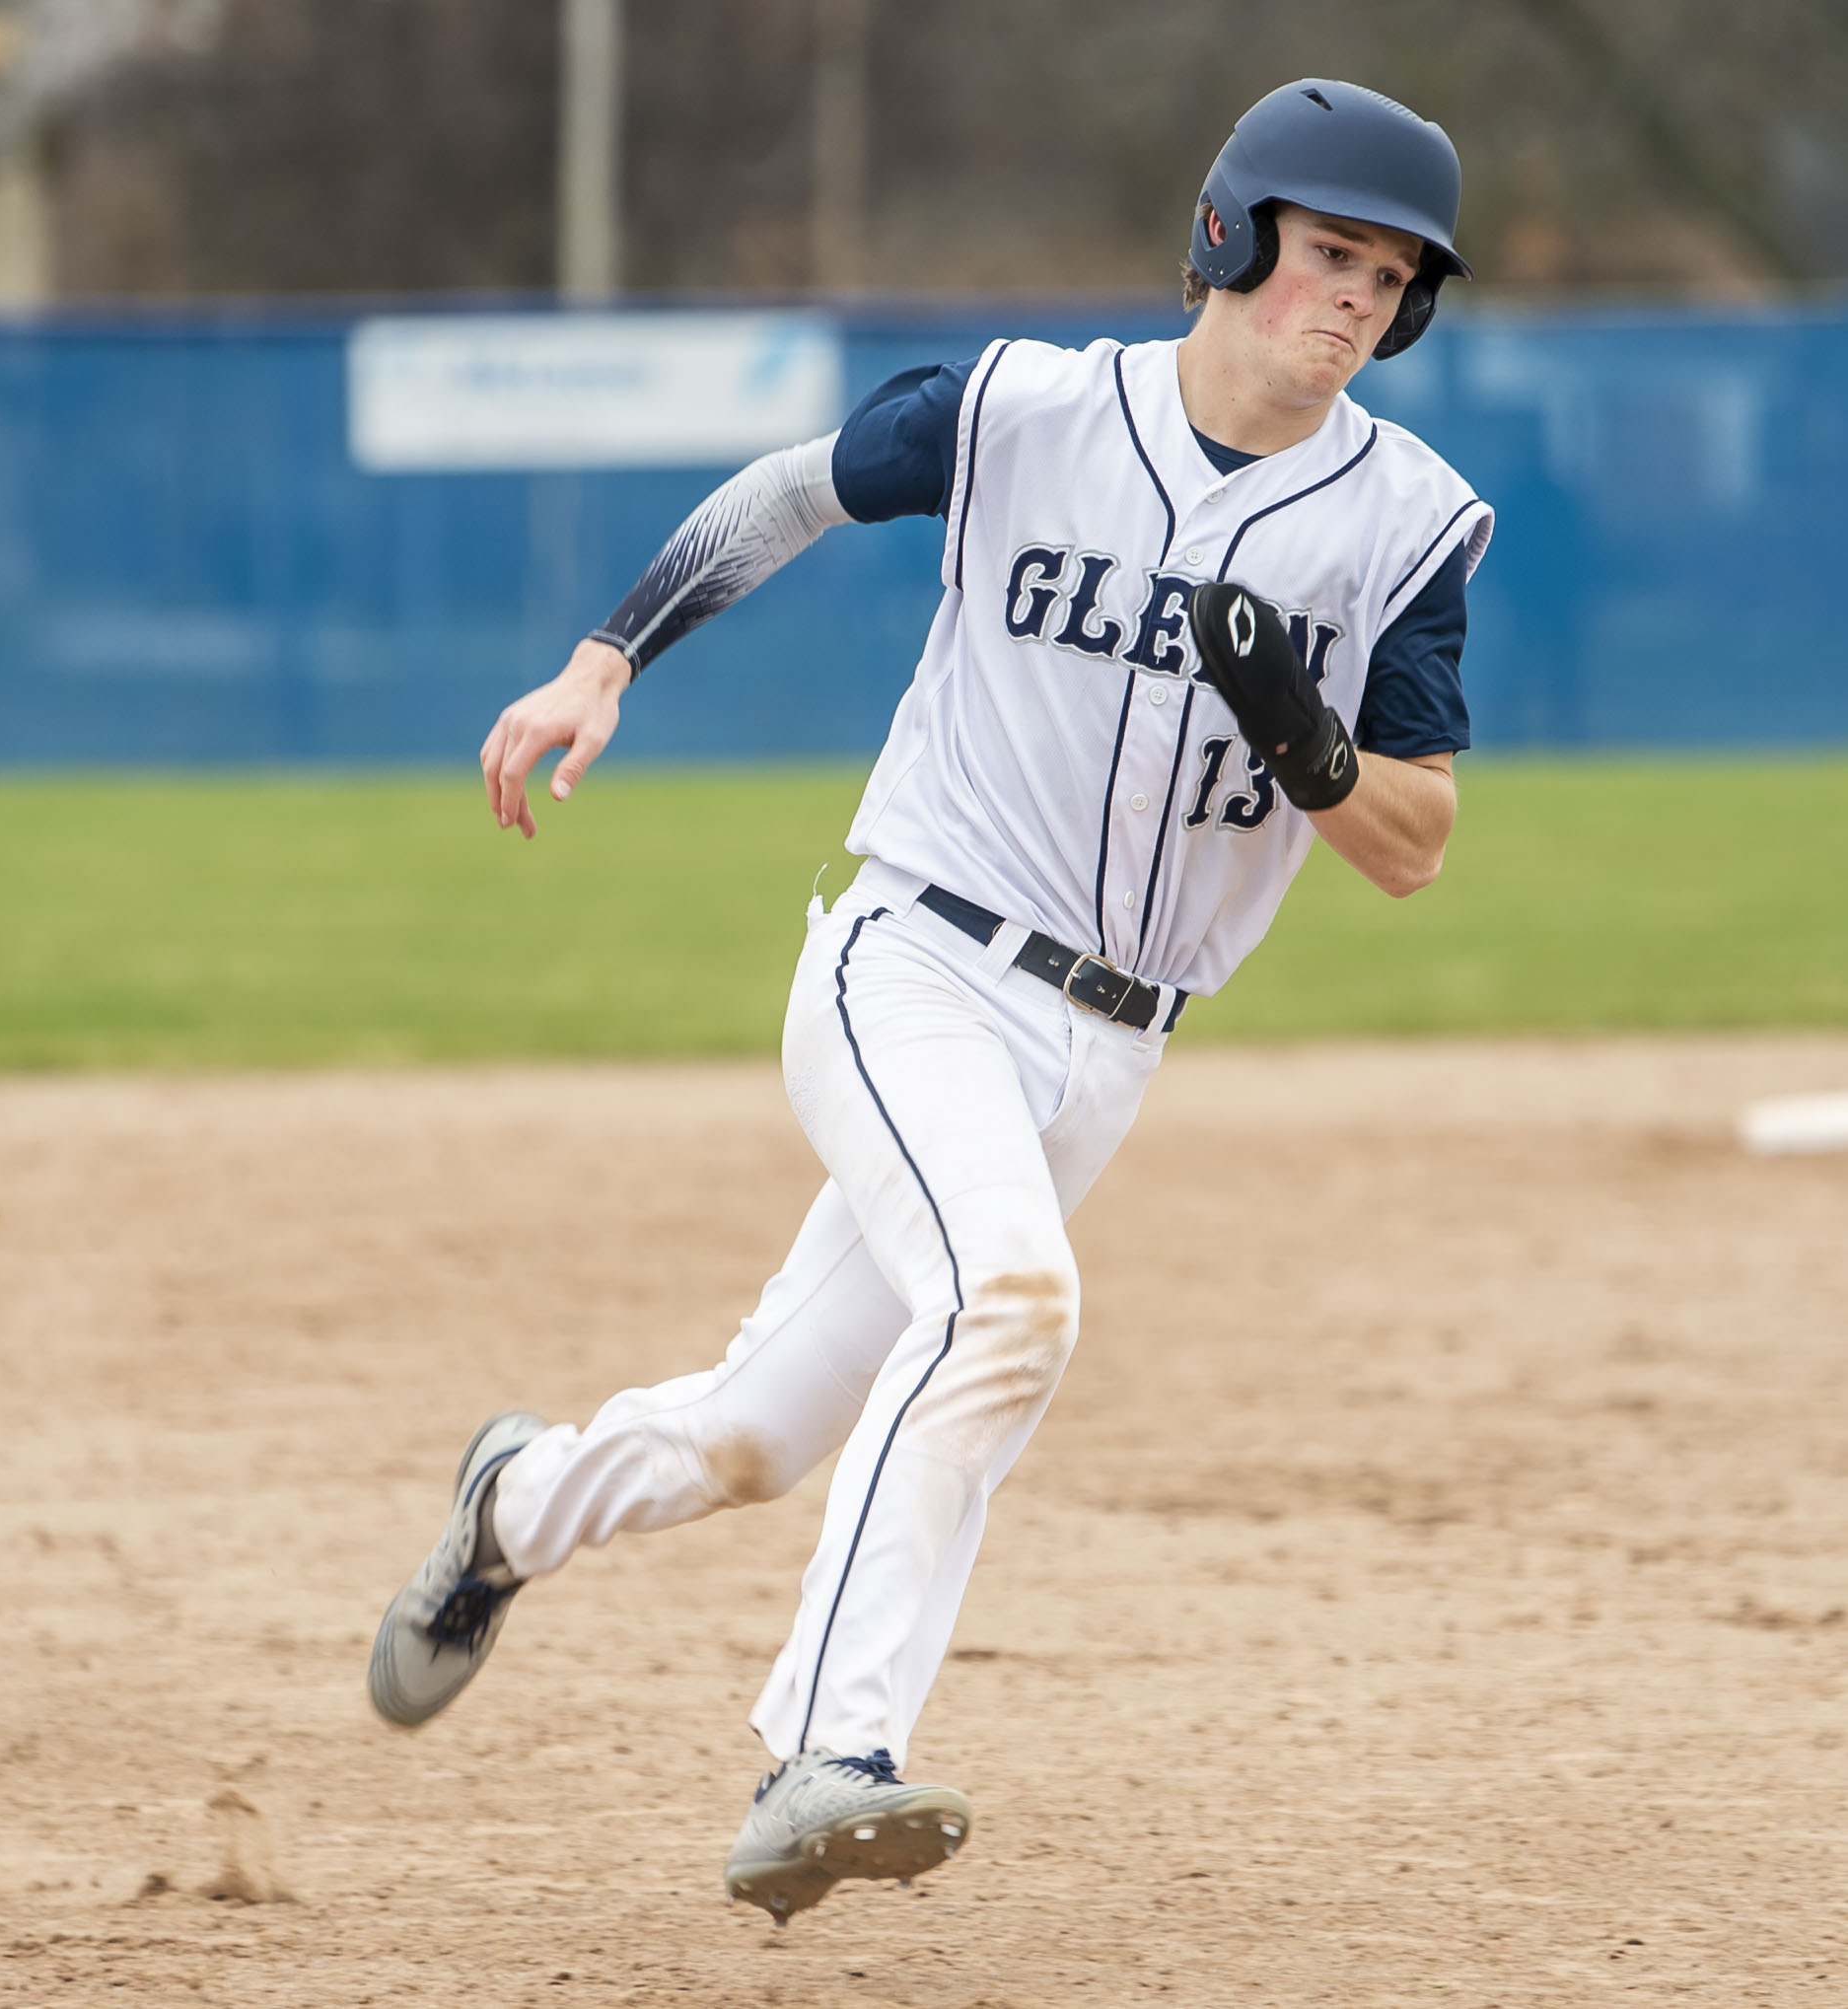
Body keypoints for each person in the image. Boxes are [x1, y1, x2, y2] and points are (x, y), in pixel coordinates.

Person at [364, 79, 1495, 1926]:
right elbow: (788, 494)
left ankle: (513, 1504)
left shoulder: (1407, 526)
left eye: (1390, 279)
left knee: (749, 1436)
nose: (1354, 300)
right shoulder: (1024, 406)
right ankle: (827, 1748)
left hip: (1108, 1048)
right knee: (1011, 1303)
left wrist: (1303, 737)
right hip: (915, 960)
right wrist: (601, 659)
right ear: (1228, 236)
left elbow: (1415, 841)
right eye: (1327, 253)